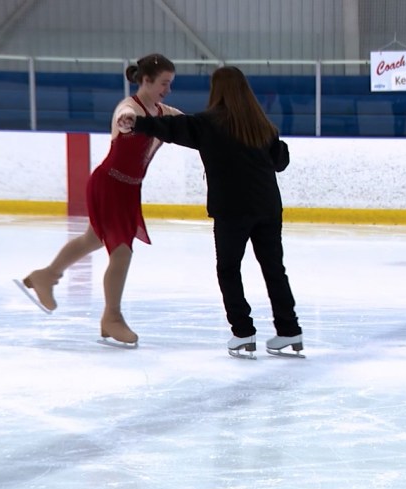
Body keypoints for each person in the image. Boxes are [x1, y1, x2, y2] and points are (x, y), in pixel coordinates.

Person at [119, 66, 304, 360]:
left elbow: (172, 129)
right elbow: (280, 161)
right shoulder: (262, 125)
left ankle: (243, 333)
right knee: (273, 269)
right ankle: (289, 330)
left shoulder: (208, 124)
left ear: (216, 91)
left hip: (232, 210)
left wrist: (139, 123)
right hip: (268, 208)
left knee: (229, 270)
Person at [15, 54, 181, 348]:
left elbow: (188, 124)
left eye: (170, 84)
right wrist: (129, 123)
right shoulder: (129, 108)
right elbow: (124, 119)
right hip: (110, 185)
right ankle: (112, 317)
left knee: (91, 240)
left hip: (128, 190)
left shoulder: (161, 110)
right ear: (146, 80)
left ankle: (45, 276)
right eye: (163, 83)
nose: (167, 89)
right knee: (121, 252)